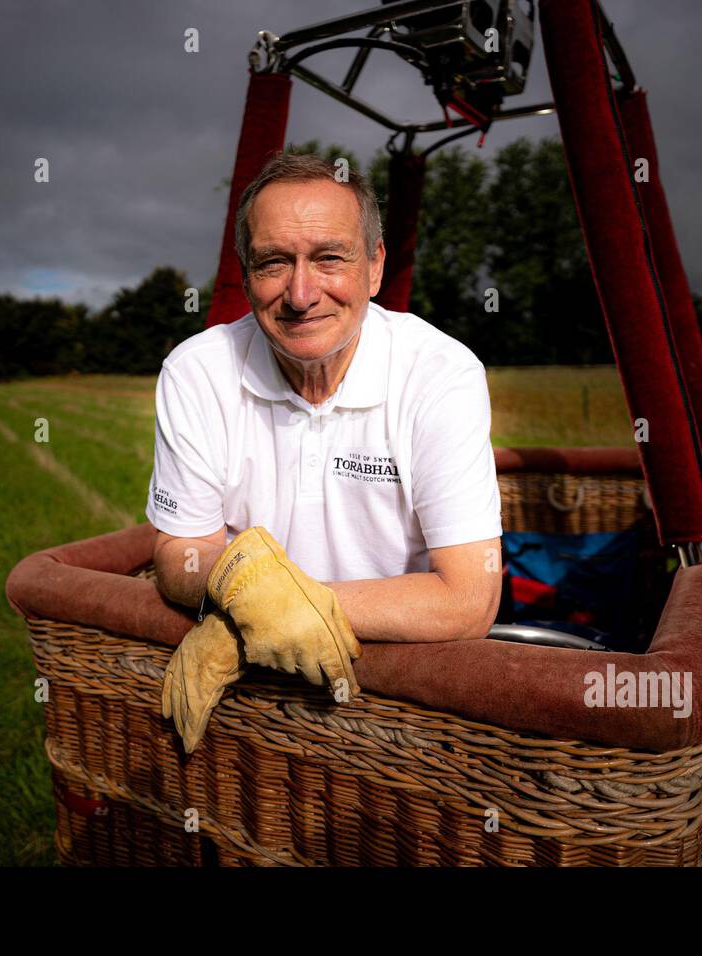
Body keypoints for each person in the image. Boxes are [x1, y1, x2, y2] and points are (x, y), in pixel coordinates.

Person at [148, 152, 502, 752]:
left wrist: (253, 618)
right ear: (246, 275)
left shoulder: (441, 373)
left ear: (375, 266)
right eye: (273, 262)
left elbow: (469, 598)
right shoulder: (196, 372)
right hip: (255, 718)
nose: (301, 293)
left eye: (329, 258)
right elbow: (178, 553)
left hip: (401, 707)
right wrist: (251, 595)